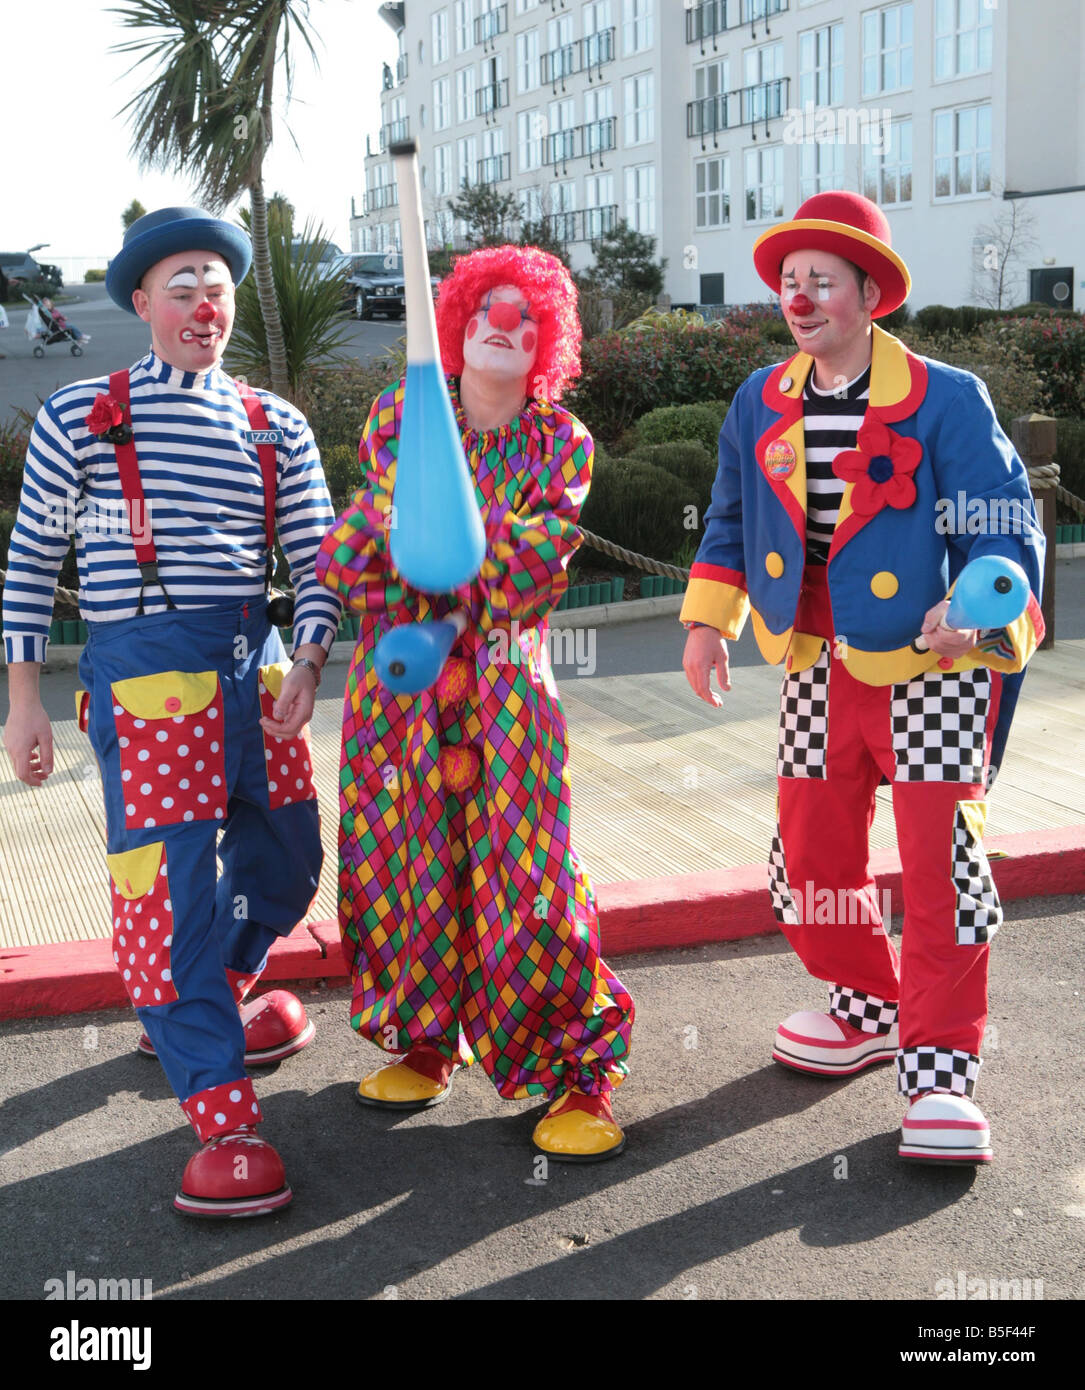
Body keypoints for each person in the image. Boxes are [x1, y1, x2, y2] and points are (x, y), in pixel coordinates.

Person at [680, 192, 1044, 1164]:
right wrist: (706, 624)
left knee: (938, 870)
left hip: (931, 669)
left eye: (819, 281)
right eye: (788, 282)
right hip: (816, 665)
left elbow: (1001, 525)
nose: (798, 298)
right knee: (809, 861)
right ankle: (866, 1001)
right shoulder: (759, 399)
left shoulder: (943, 397)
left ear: (868, 292)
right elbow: (728, 519)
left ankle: (937, 1067)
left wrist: (975, 613)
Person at [2, 206, 342, 1216]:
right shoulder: (83, 414)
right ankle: (219, 1105)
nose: (204, 302)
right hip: (149, 671)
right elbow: (29, 565)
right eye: (182, 285)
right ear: (144, 302)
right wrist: (22, 700)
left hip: (260, 664)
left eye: (217, 284)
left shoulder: (272, 422)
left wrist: (312, 657)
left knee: (289, 853)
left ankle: (201, 1000)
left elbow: (316, 555)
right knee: (169, 884)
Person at [316, 244, 634, 1161]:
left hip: (501, 689)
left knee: (525, 876)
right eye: (489, 309)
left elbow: (532, 566)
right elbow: (366, 545)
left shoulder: (557, 440)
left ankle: (579, 1075)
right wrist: (408, 552)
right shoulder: (396, 417)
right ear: (455, 326)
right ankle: (424, 1041)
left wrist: (435, 554)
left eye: (529, 316)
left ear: (550, 344)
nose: (508, 324)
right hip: (399, 693)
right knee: (403, 864)